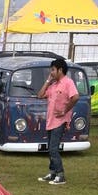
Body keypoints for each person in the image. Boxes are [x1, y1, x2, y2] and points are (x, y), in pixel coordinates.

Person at [36, 57, 80, 186]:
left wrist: (65, 111)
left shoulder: (68, 83)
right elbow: (40, 95)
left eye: (53, 70)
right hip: (50, 121)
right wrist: (48, 81)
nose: (51, 72)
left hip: (60, 121)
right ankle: (52, 172)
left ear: (60, 70)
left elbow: (75, 97)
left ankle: (60, 175)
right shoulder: (54, 84)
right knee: (50, 148)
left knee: (53, 149)